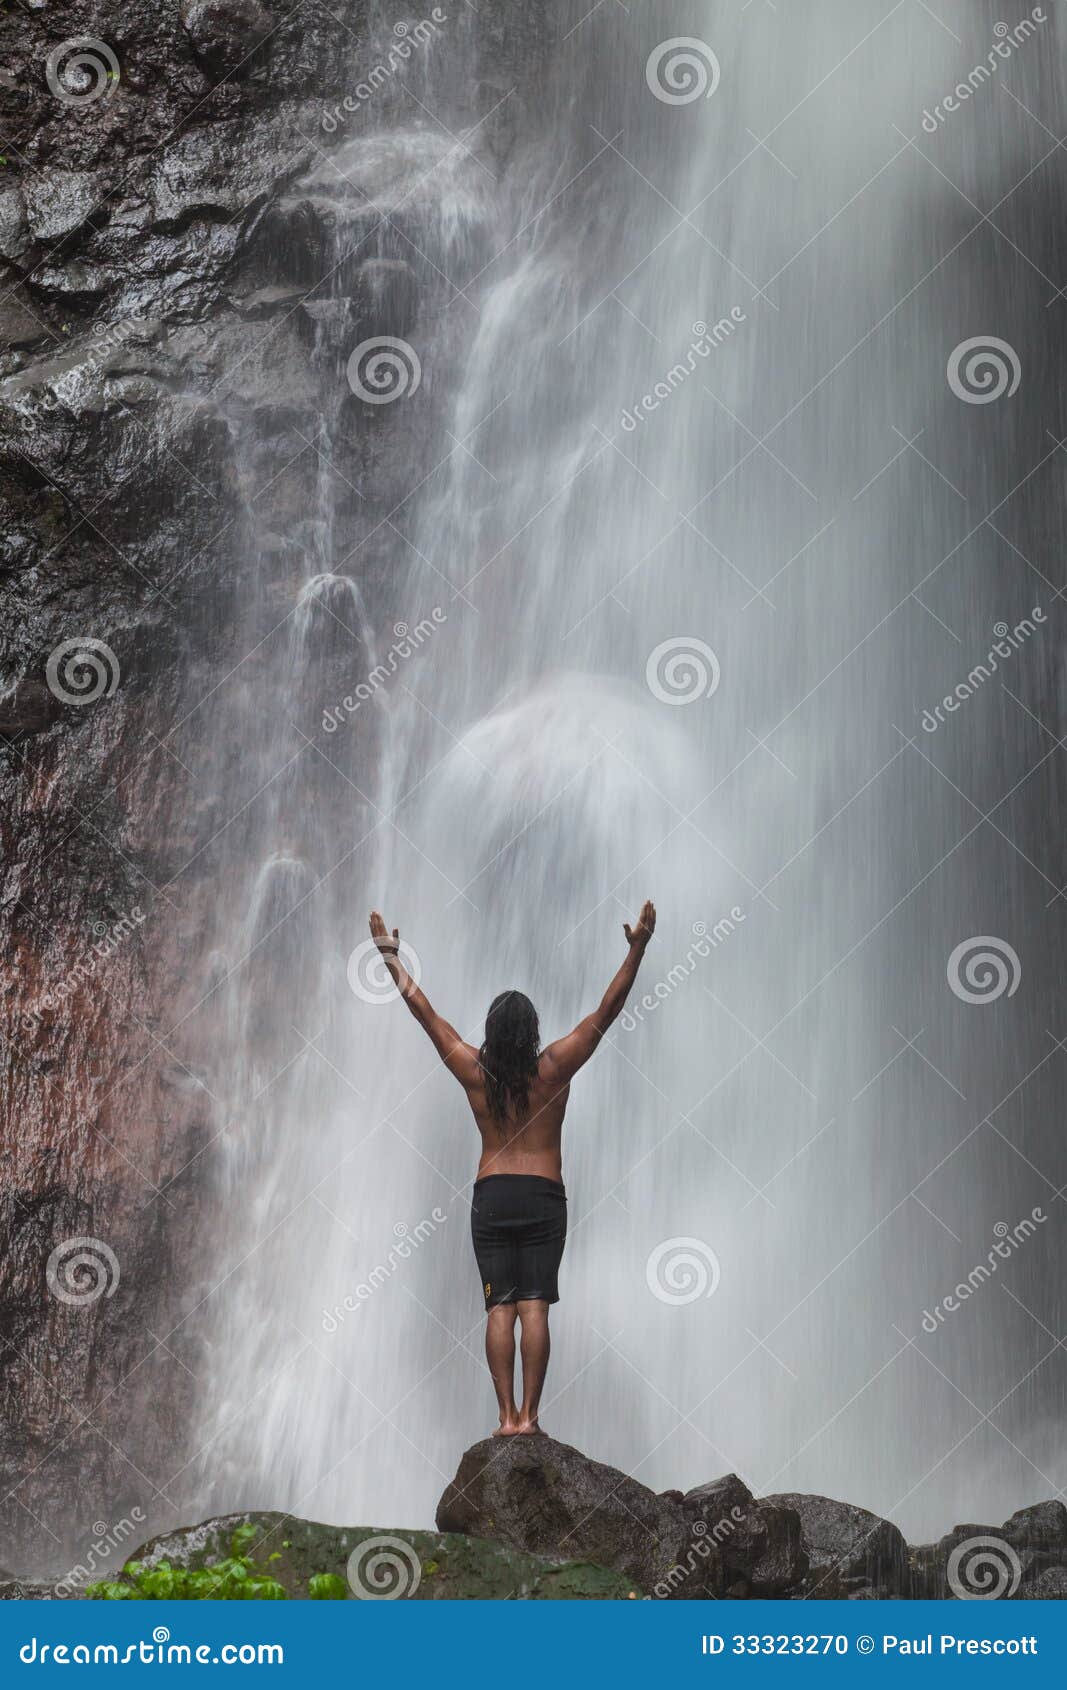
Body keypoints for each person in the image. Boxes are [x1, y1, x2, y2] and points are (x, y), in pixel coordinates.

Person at [368, 901, 657, 1436]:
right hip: (543, 1196)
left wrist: (391, 959)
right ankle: (530, 1418)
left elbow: (426, 1016)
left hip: (492, 1195)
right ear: (531, 1032)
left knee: (499, 1308)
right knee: (535, 1308)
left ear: (492, 1032)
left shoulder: (474, 1073)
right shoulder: (555, 1067)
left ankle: (503, 1419)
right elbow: (606, 1012)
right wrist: (637, 949)